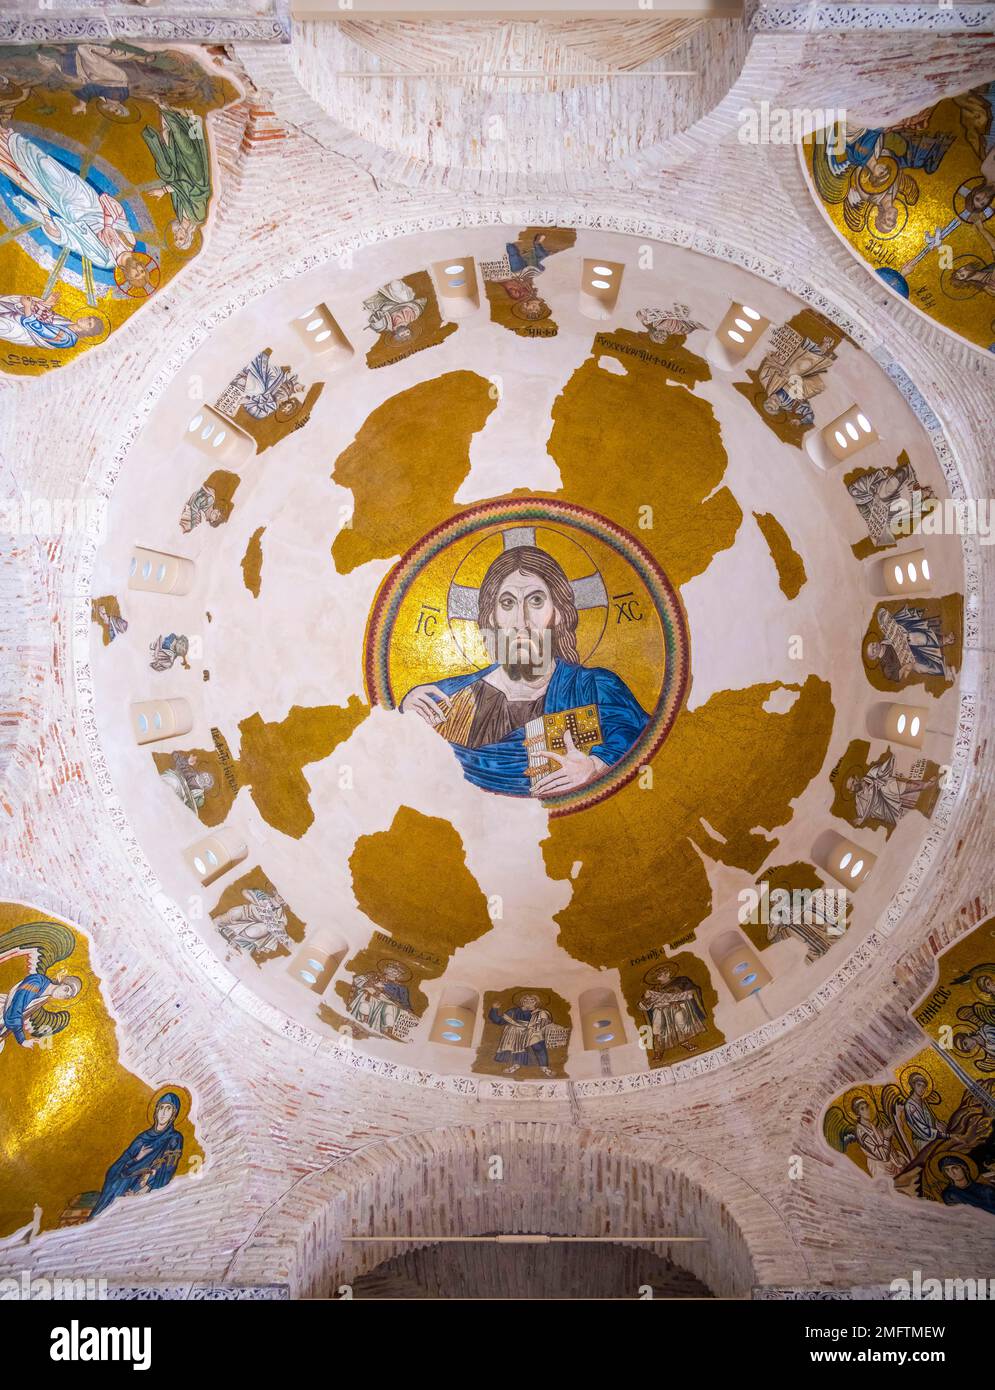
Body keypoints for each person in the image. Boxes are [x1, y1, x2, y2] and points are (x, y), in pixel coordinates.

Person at [401, 545, 649, 798]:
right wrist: (405, 717)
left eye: (537, 600)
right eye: (507, 603)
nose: (521, 621)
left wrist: (595, 767)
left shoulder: (594, 688)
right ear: (493, 615)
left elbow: (638, 737)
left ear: (559, 612)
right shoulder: (450, 697)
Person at [88, 1094, 184, 1221]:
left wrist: (145, 1188)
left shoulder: (174, 1138)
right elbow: (115, 1168)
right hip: (125, 1181)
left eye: (168, 1109)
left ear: (174, 1114)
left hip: (147, 1184)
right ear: (156, 1110)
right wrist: (137, 1159)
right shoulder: (142, 1138)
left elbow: (168, 1168)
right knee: (114, 1188)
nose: (163, 1113)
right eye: (161, 1108)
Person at [143, 104, 211, 250]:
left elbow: (176, 185)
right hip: (195, 176)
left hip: (179, 172)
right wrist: (164, 190)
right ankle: (184, 116)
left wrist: (167, 181)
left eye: (176, 238)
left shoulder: (179, 213)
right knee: (186, 146)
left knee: (167, 139)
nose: (177, 235)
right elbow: (194, 191)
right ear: (188, 235)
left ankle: (163, 108)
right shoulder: (199, 217)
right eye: (181, 238)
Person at [865, 604, 956, 685]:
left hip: (910, 643)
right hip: (909, 661)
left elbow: (894, 627)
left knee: (916, 637)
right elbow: (898, 675)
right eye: (873, 651)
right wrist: (905, 667)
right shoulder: (886, 668)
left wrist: (903, 633)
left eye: (872, 644)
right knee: (922, 667)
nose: (874, 647)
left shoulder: (886, 638)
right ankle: (946, 670)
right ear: (874, 657)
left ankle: (945, 640)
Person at [0, 969, 81, 1050]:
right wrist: (22, 1040)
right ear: (61, 983)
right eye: (66, 989)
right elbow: (17, 1005)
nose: (63, 995)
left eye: (67, 996)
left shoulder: (45, 997)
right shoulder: (37, 983)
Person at [639, 966, 708, 1059]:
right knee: (657, 1028)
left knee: (680, 1022)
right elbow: (643, 1005)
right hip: (659, 1010)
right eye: (658, 975)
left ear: (669, 973)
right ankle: (658, 1051)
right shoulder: (655, 989)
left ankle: (685, 1042)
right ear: (656, 978)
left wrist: (680, 997)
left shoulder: (681, 980)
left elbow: (693, 990)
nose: (662, 975)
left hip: (678, 1006)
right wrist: (646, 997)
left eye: (664, 972)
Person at [0, 292, 102, 351]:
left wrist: (27, 306)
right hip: (25, 319)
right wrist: (46, 304)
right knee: (14, 301)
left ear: (87, 331)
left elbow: (38, 328)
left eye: (89, 323)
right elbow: (48, 317)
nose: (85, 319)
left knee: (6, 322)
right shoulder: (68, 322)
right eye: (89, 318)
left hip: (26, 332)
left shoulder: (66, 339)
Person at [489, 993, 554, 1075]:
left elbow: (545, 1023)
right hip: (518, 1033)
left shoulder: (541, 1012)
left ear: (536, 1002)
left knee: (538, 1044)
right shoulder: (514, 1011)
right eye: (525, 1000)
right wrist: (494, 1009)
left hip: (533, 1032)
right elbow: (500, 1021)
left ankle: (544, 1067)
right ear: (522, 1002)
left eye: (532, 1000)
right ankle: (516, 1065)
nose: (528, 1002)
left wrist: (537, 1026)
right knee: (518, 1046)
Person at [215, 888, 290, 957]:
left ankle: (235, 942)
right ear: (275, 892)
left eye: (284, 899)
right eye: (280, 895)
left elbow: (281, 927)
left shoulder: (280, 913)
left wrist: (276, 926)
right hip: (246, 913)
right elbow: (245, 892)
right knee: (234, 913)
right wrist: (257, 902)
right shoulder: (263, 896)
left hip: (257, 924)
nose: (281, 898)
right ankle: (218, 922)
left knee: (256, 930)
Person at [346, 961, 413, 1038]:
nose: (392, 971)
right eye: (390, 968)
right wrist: (369, 984)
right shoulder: (374, 975)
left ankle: (388, 1030)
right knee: (367, 998)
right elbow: (358, 980)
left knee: (390, 1008)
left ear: (399, 975)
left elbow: (404, 1002)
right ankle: (362, 1021)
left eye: (395, 971)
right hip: (370, 997)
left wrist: (408, 1009)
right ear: (385, 969)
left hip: (388, 1003)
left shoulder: (401, 988)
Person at [851, 1096, 906, 1178]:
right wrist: (886, 1137)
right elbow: (882, 1156)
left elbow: (886, 1146)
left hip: (889, 1161)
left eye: (867, 1107)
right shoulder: (862, 1133)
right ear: (857, 1113)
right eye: (862, 1109)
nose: (867, 1111)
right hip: (879, 1167)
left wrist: (885, 1134)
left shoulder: (871, 1126)